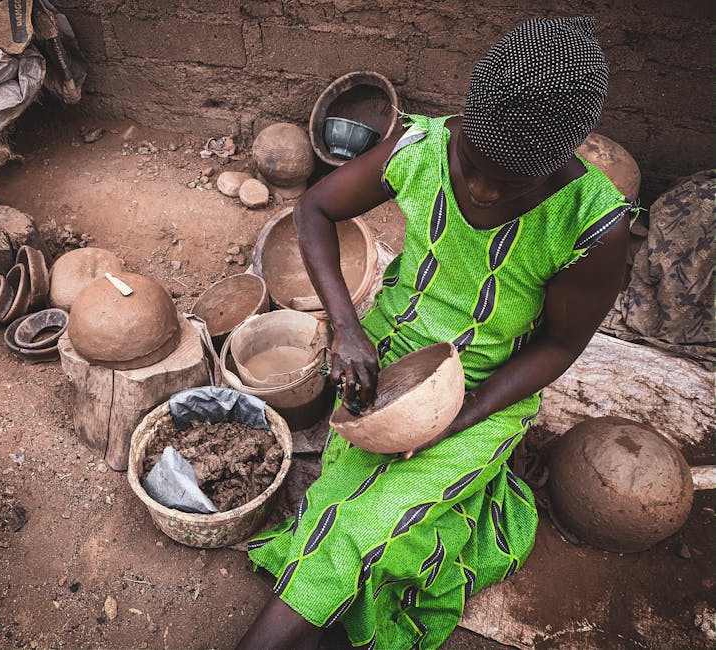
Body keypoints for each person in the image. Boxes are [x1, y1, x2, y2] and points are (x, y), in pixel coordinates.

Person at [236, 16, 636, 650]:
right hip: (387, 357)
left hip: (487, 393)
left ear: (563, 157)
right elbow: (312, 209)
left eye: (506, 183)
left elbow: (558, 346)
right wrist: (346, 327)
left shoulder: (593, 226)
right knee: (354, 505)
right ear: (464, 126)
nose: (476, 188)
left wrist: (459, 415)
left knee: (362, 529)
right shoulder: (419, 145)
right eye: (471, 162)